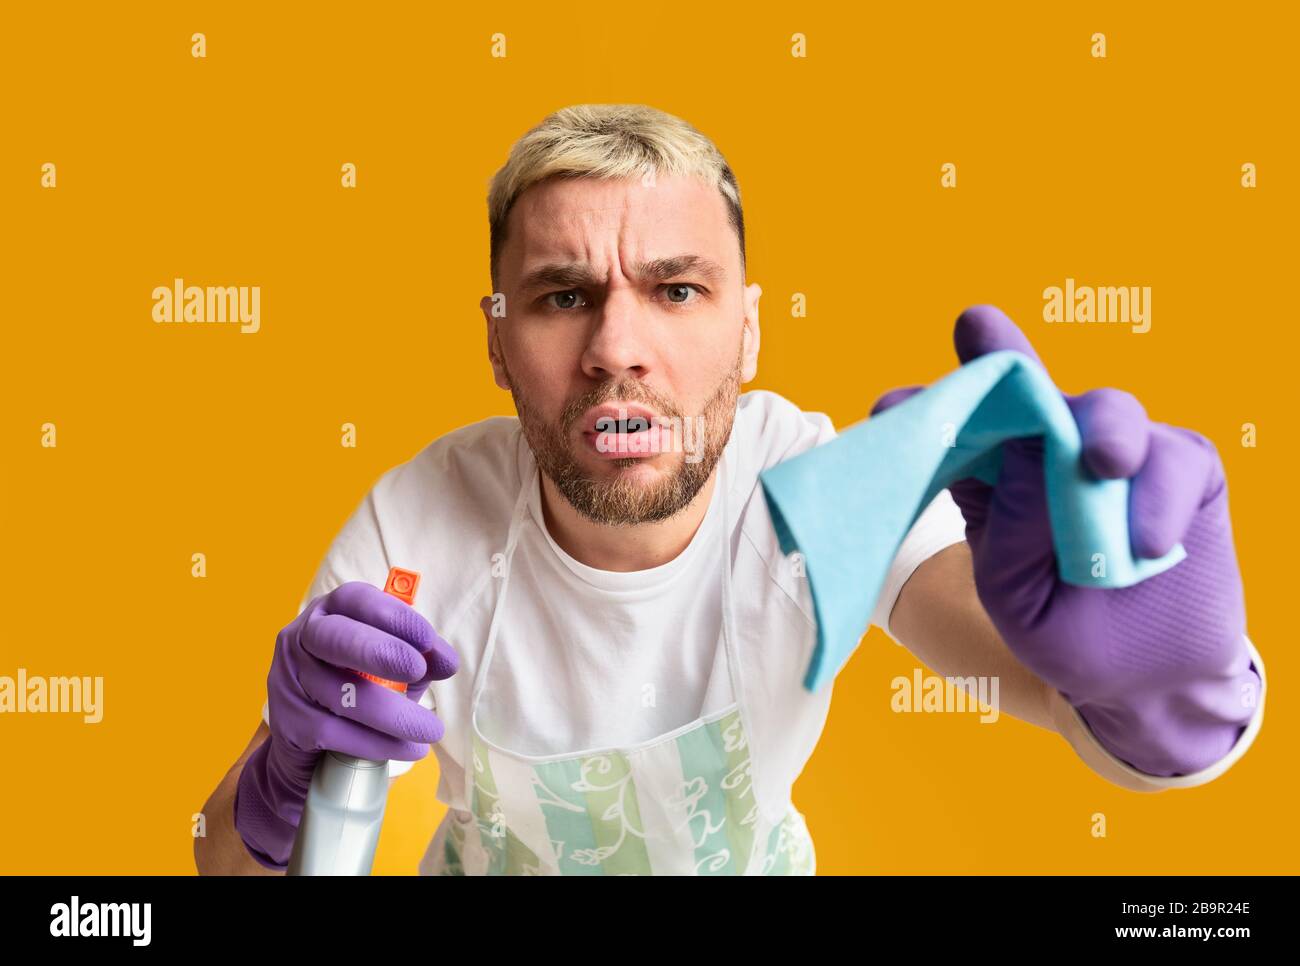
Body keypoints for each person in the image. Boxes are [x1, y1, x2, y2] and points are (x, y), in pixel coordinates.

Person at [195, 104, 1264, 876]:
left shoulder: (819, 485)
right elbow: (227, 867)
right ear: (497, 341)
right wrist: (278, 787)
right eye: (562, 296)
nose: (618, 348)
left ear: (747, 329)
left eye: (676, 290)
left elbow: (1038, 683)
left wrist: (1163, 689)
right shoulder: (417, 523)